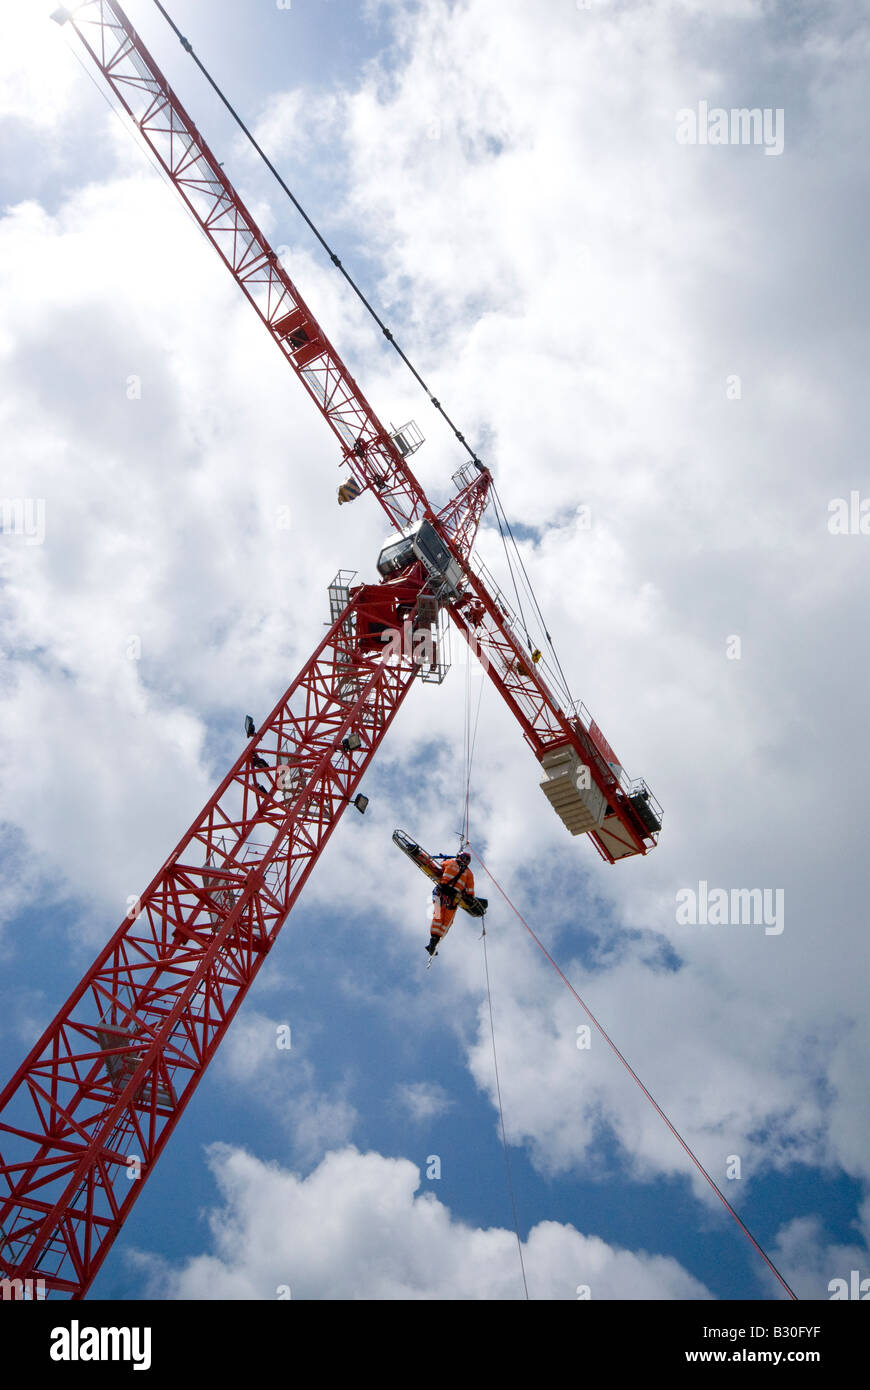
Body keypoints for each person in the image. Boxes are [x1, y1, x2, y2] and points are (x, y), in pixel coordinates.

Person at [426, 850, 474, 956]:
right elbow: (470, 891)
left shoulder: (450, 862)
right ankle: (434, 941)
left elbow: (438, 868)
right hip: (452, 898)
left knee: (438, 916)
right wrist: (469, 899)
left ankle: (433, 941)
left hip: (441, 893)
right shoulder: (469, 873)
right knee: (446, 921)